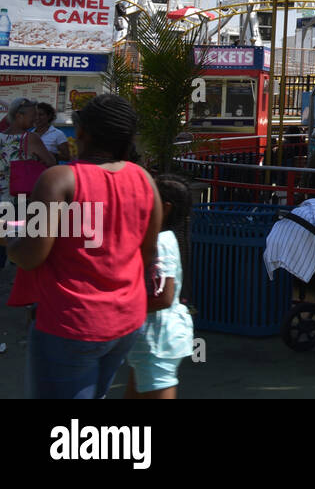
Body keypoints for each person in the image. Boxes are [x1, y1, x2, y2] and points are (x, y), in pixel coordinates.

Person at [0, 93, 162, 398]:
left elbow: (31, 255)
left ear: (82, 133)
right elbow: (146, 254)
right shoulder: (144, 180)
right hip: (126, 321)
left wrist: (9, 239)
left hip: (70, 323)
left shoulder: (58, 180)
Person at [126, 175, 194, 399]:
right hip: (152, 339)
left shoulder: (160, 243)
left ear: (164, 209)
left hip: (157, 340)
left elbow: (164, 297)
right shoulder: (162, 239)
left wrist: (119, 307)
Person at [3, 98, 56, 198]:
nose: (36, 118)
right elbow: (51, 162)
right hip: (20, 199)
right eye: (33, 115)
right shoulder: (30, 138)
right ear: (19, 116)